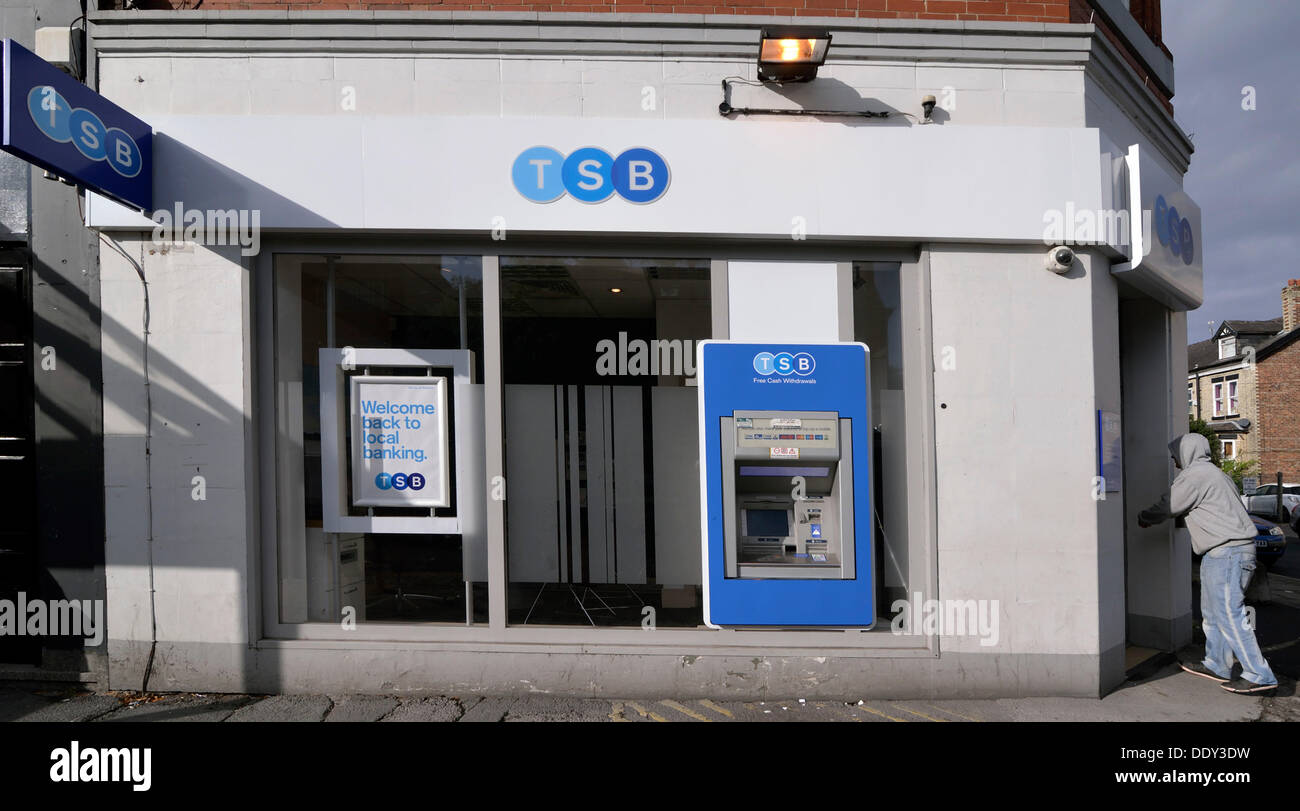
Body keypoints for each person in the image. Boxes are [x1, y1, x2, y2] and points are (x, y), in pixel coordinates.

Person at [1137, 433, 1277, 694]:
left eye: (1175, 454)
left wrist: (1144, 517)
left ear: (1186, 452)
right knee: (1213, 613)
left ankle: (1260, 675)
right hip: (1224, 553)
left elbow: (1170, 505)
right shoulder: (1216, 474)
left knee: (1229, 614)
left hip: (1228, 553)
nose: (1173, 460)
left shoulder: (1196, 475)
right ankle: (1216, 664)